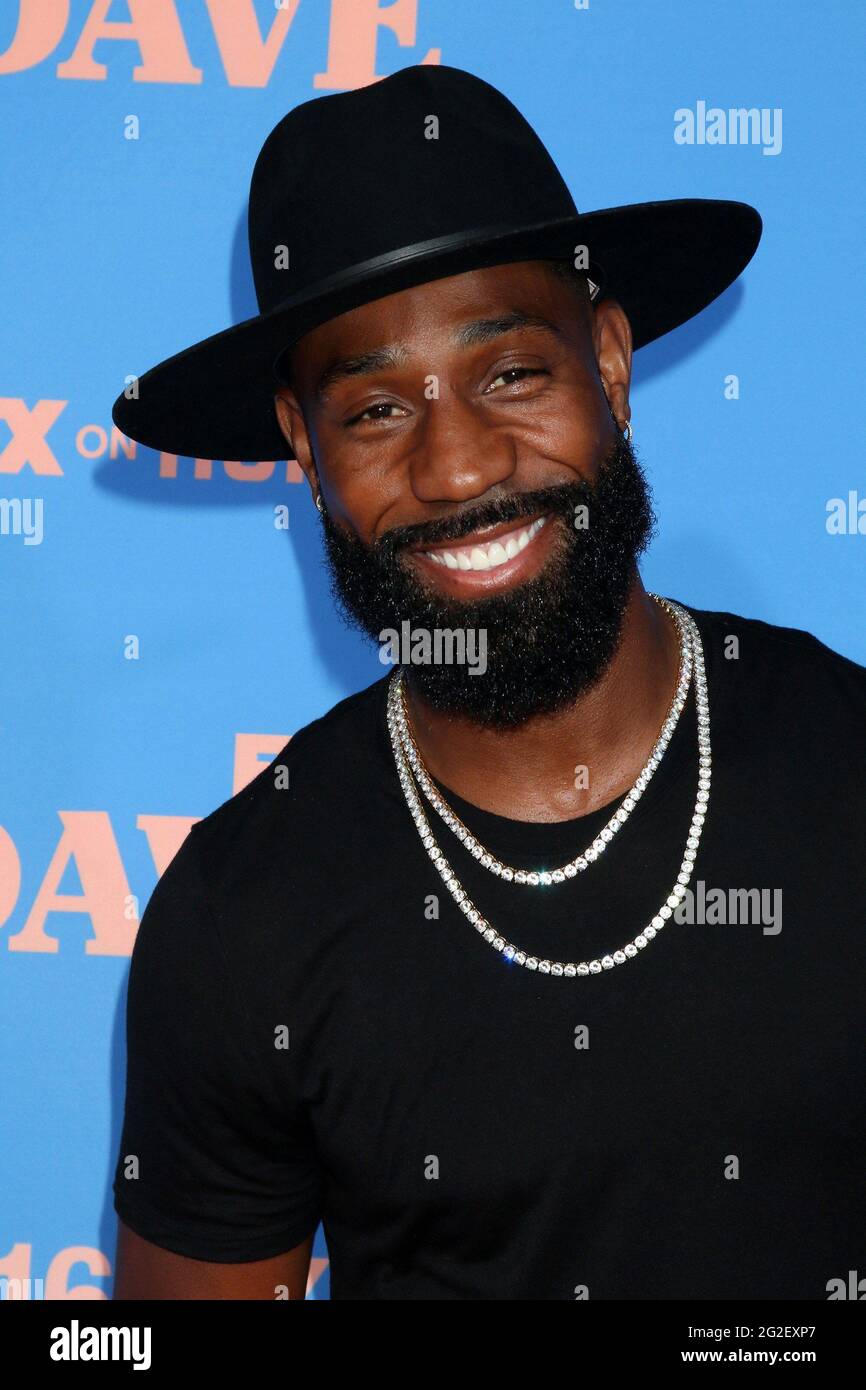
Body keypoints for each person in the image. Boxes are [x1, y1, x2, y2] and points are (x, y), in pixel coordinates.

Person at [110, 65, 865, 1301]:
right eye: (370, 411)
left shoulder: (845, 772)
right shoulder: (241, 917)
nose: (456, 467)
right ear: (304, 450)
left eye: (509, 372)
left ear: (607, 365)